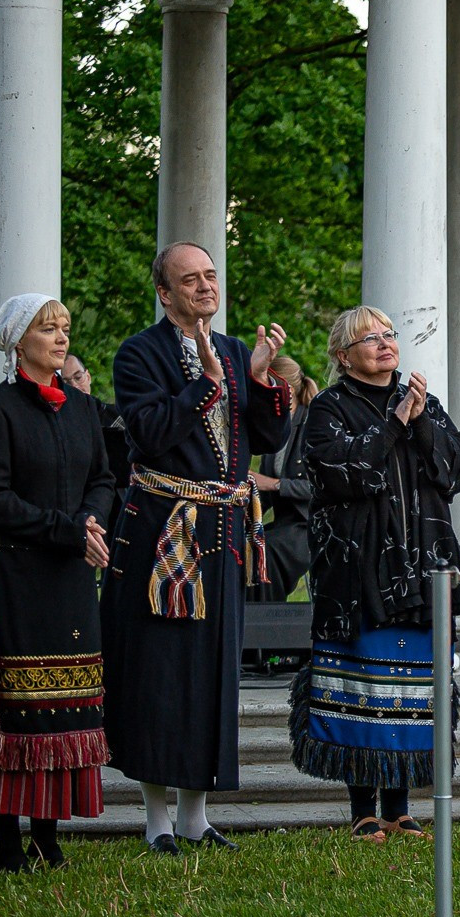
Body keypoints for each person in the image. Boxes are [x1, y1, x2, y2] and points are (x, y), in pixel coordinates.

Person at [101, 241, 290, 855]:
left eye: (211, 276)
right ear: (165, 293)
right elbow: (151, 434)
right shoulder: (139, 354)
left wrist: (258, 379)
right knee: (161, 673)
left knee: (211, 671)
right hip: (163, 531)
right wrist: (207, 385)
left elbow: (267, 436)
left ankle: (195, 817)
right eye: (191, 279)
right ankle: (155, 820)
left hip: (223, 533)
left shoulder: (237, 351)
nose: (206, 286)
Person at [294, 308, 460, 841]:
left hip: (422, 565)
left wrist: (419, 421)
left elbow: (457, 468)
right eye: (367, 338)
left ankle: (398, 805)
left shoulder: (422, 402)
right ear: (342, 355)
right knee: (363, 682)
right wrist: (395, 422)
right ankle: (362, 809)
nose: (383, 344)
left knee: (412, 682)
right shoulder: (328, 408)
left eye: (389, 335)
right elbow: (343, 471)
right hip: (357, 570)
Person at [0, 296, 115, 871]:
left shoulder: (83, 410)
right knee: (19, 708)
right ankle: (10, 840)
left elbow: (105, 478)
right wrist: (68, 529)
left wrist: (90, 521)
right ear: (20, 342)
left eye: (65, 328)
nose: (61, 338)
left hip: (70, 573)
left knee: (64, 704)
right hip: (19, 574)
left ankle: (47, 832)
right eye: (48, 329)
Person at [246, 354, 319, 602]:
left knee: (265, 552)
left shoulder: (314, 423)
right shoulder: (274, 427)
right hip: (285, 526)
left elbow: (322, 487)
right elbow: (262, 494)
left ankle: (268, 628)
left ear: (284, 389)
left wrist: (273, 484)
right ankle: (248, 629)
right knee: (243, 547)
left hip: (310, 525)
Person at [62, 353, 130, 494]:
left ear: (88, 377)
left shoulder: (119, 417)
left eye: (78, 377)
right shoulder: (59, 426)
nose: (74, 386)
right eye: (66, 382)